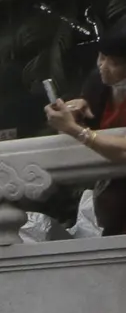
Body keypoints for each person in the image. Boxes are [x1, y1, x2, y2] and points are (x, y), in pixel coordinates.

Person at [46, 24, 126, 234]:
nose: (104, 67)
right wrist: (71, 115)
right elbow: (70, 130)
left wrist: (75, 130)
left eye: (115, 63)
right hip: (113, 204)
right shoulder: (97, 84)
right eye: (101, 57)